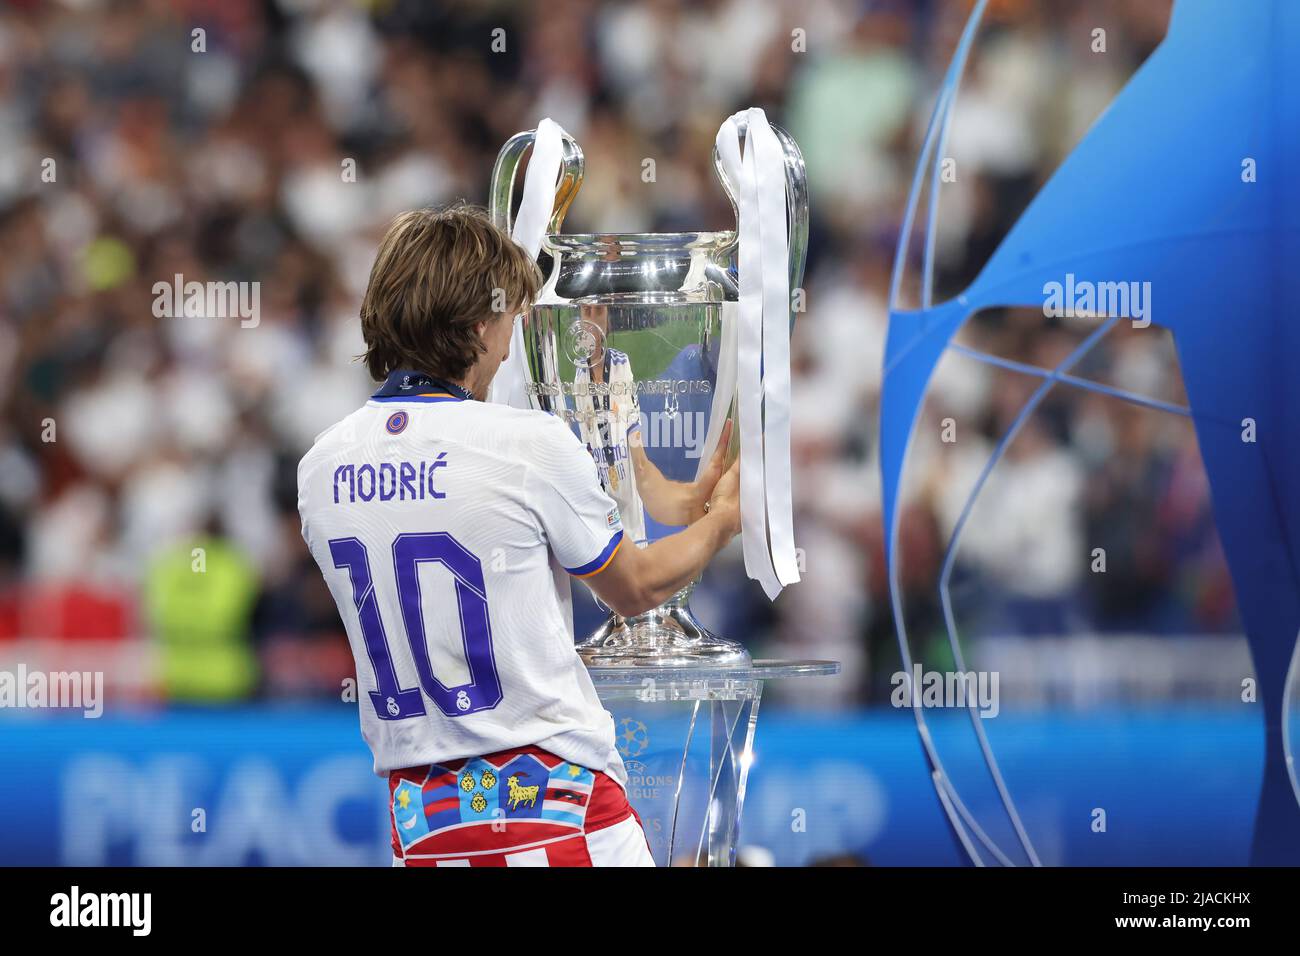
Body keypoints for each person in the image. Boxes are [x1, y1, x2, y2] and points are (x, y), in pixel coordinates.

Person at [297, 206, 741, 866]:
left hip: (421, 825)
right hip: (557, 811)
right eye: (511, 320)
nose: (510, 346)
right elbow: (637, 588)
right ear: (480, 323)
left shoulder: (320, 466)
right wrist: (726, 520)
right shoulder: (524, 446)